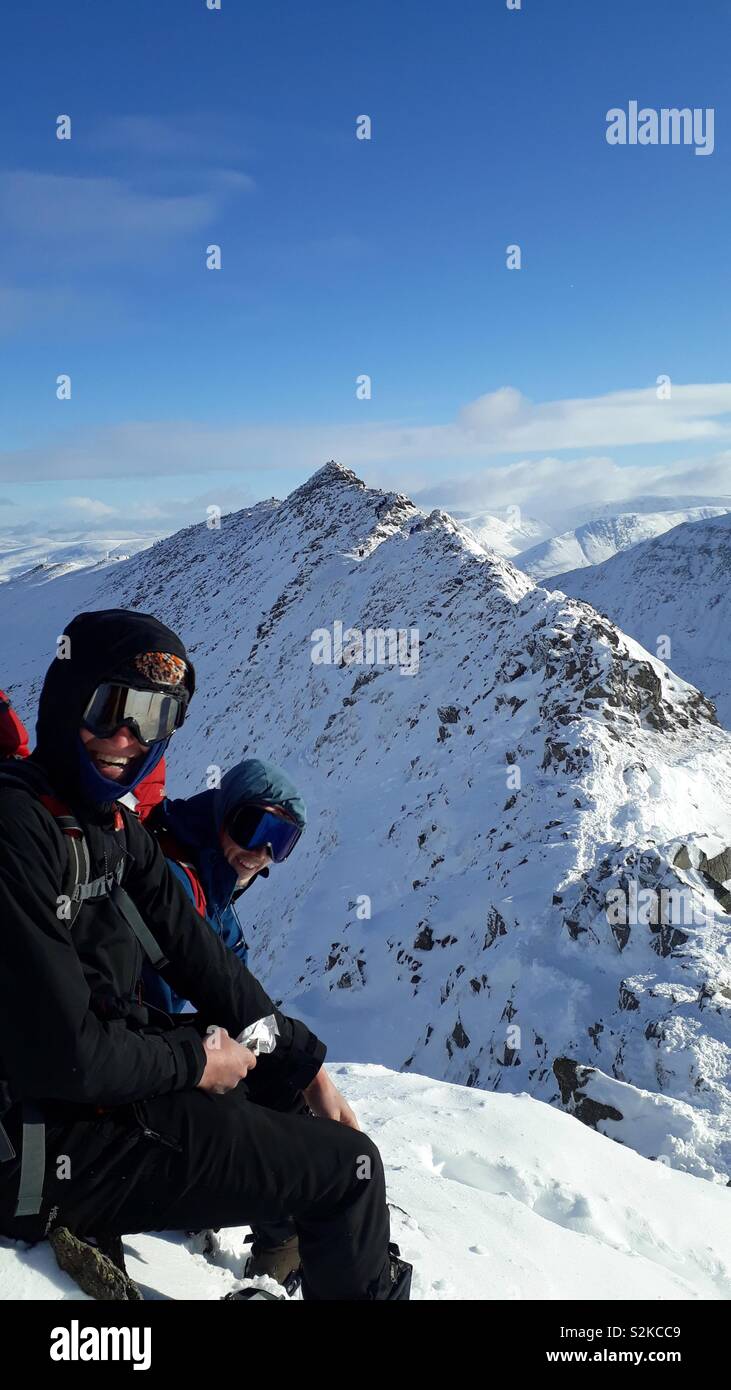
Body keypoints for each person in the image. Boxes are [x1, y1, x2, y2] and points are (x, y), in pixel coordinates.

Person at [0, 608, 411, 1300]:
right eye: (111, 708)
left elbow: (201, 960)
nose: (127, 738)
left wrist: (303, 1070)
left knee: (285, 1091)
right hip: (39, 1150)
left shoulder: (109, 828)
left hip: (79, 1113)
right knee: (351, 1171)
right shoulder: (18, 829)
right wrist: (196, 1062)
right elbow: (67, 1054)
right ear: (67, 698)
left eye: (154, 718)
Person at [142, 757, 310, 1289]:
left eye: (279, 843)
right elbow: (181, 994)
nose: (260, 854)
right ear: (222, 813)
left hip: (162, 1051)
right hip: (142, 1057)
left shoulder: (213, 892)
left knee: (271, 1072)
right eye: (252, 828)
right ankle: (279, 1246)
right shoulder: (173, 875)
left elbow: (235, 993)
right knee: (270, 1097)